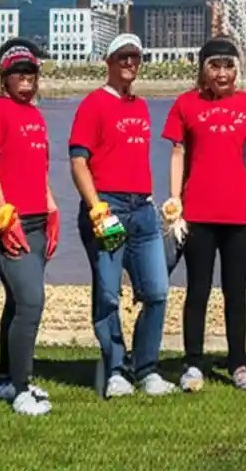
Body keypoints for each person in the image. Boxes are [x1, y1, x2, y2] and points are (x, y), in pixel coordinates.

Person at [69, 33, 175, 399]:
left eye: (135, 58)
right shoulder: (93, 105)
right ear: (109, 62)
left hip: (143, 210)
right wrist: (95, 206)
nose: (130, 63)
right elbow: (78, 161)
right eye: (123, 57)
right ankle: (115, 368)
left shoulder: (142, 106)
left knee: (157, 291)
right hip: (107, 208)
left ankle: (146, 369)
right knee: (109, 295)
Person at [161, 37, 246, 392]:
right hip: (198, 213)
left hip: (239, 214)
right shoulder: (186, 104)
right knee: (198, 289)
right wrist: (175, 204)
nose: (222, 73)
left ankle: (239, 363)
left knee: (236, 291)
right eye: (215, 66)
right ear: (203, 70)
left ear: (237, 71)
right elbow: (177, 153)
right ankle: (193, 363)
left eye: (228, 66)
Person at [0, 38, 58, 415]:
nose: (25, 80)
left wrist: (52, 207)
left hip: (39, 220)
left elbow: (39, 169)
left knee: (15, 301)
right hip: (8, 222)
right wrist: (4, 214)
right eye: (17, 74)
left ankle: (4, 379)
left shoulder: (37, 116)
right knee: (31, 302)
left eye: (30, 73)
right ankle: (22, 388)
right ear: (4, 76)